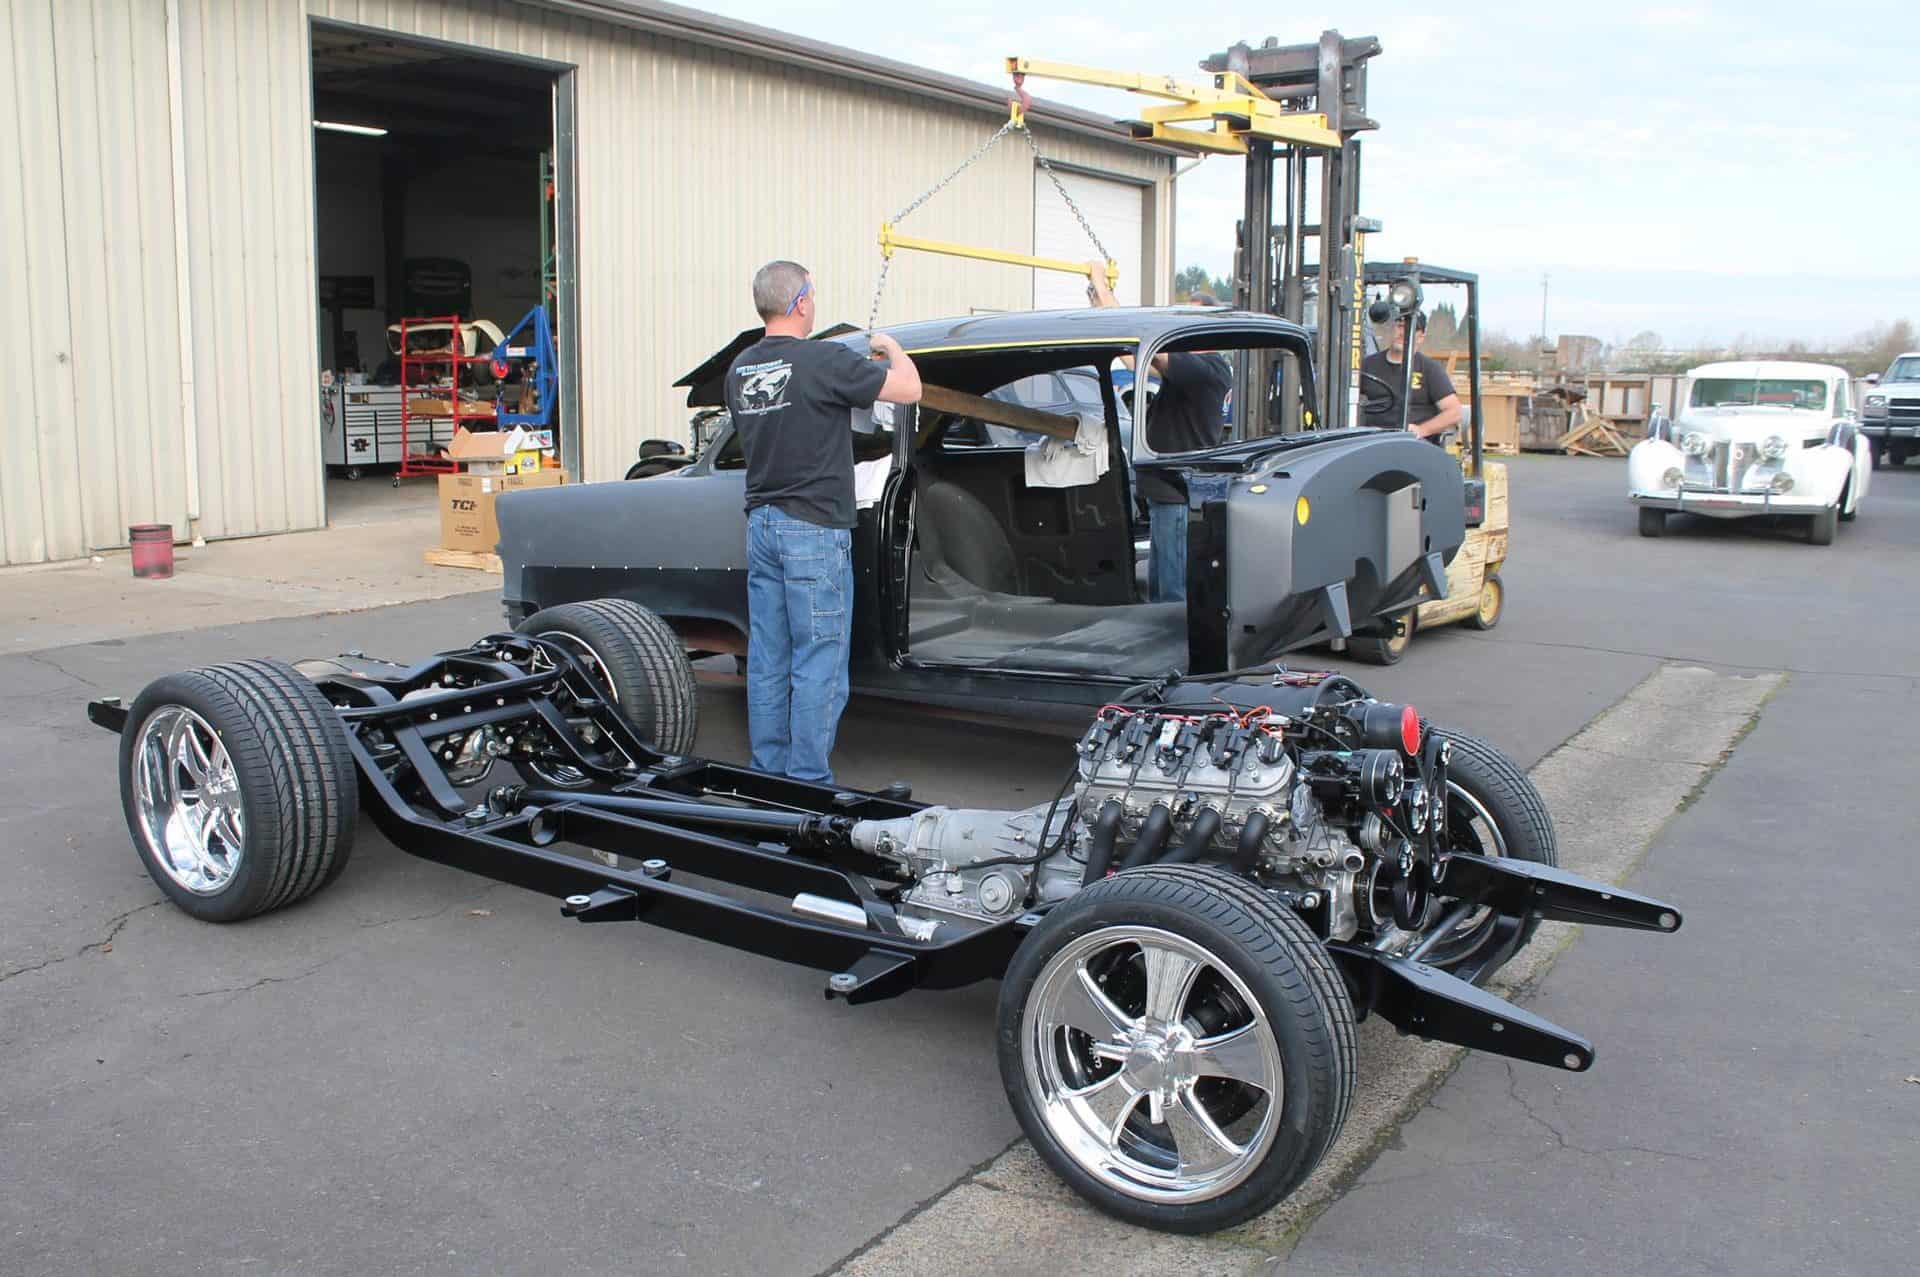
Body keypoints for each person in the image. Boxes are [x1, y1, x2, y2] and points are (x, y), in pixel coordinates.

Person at [724, 260, 921, 784]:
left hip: (763, 525)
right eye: (811, 293)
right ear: (800, 303)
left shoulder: (740, 369)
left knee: (769, 658)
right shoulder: (823, 360)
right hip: (812, 529)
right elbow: (909, 390)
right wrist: (891, 348)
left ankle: (768, 775)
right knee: (819, 660)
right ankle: (808, 780)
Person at [1088, 270, 1231, 602]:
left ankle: (1176, 636)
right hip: (1166, 494)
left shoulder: (1206, 370)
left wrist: (1102, 285)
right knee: (1160, 588)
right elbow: (1135, 359)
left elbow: (1144, 344)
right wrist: (1100, 302)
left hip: (1176, 494)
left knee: (1172, 593)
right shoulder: (1194, 371)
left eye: (1190, 320)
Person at [1361, 312, 1463, 444]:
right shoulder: (1367, 365)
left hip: (1414, 444)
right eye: (1400, 326)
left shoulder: (1430, 369)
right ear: (1392, 329)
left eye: (1410, 329)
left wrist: (1421, 430)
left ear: (1421, 337)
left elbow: (1454, 412)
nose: (1402, 333)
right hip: (1371, 441)